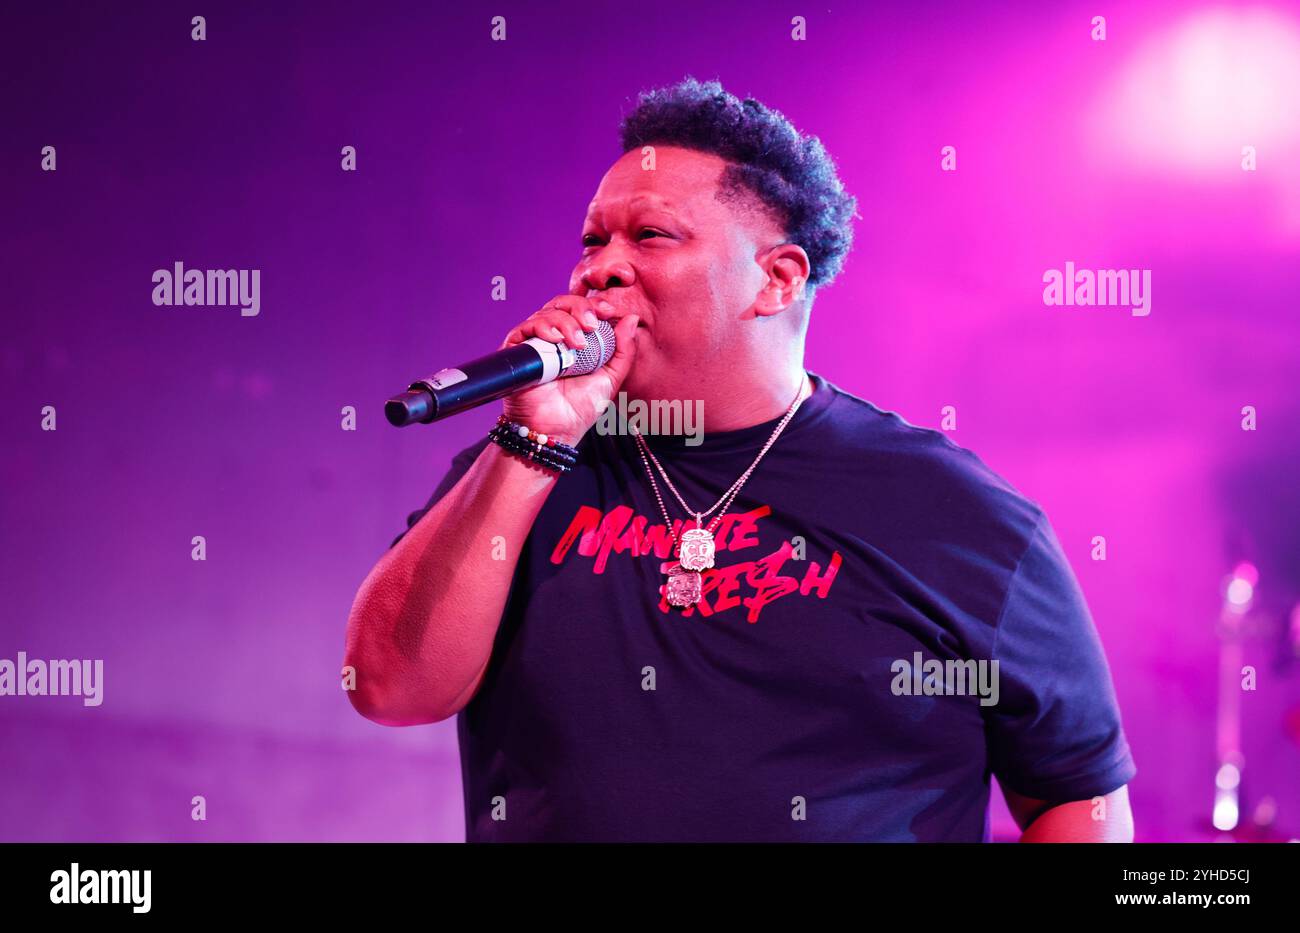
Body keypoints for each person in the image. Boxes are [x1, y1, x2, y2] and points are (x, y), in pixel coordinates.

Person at [343, 76, 1136, 842]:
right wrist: (528, 445)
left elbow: (1080, 799)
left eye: (649, 235)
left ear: (776, 279)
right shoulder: (527, 466)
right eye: (593, 240)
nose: (599, 267)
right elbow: (386, 687)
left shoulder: (950, 511)